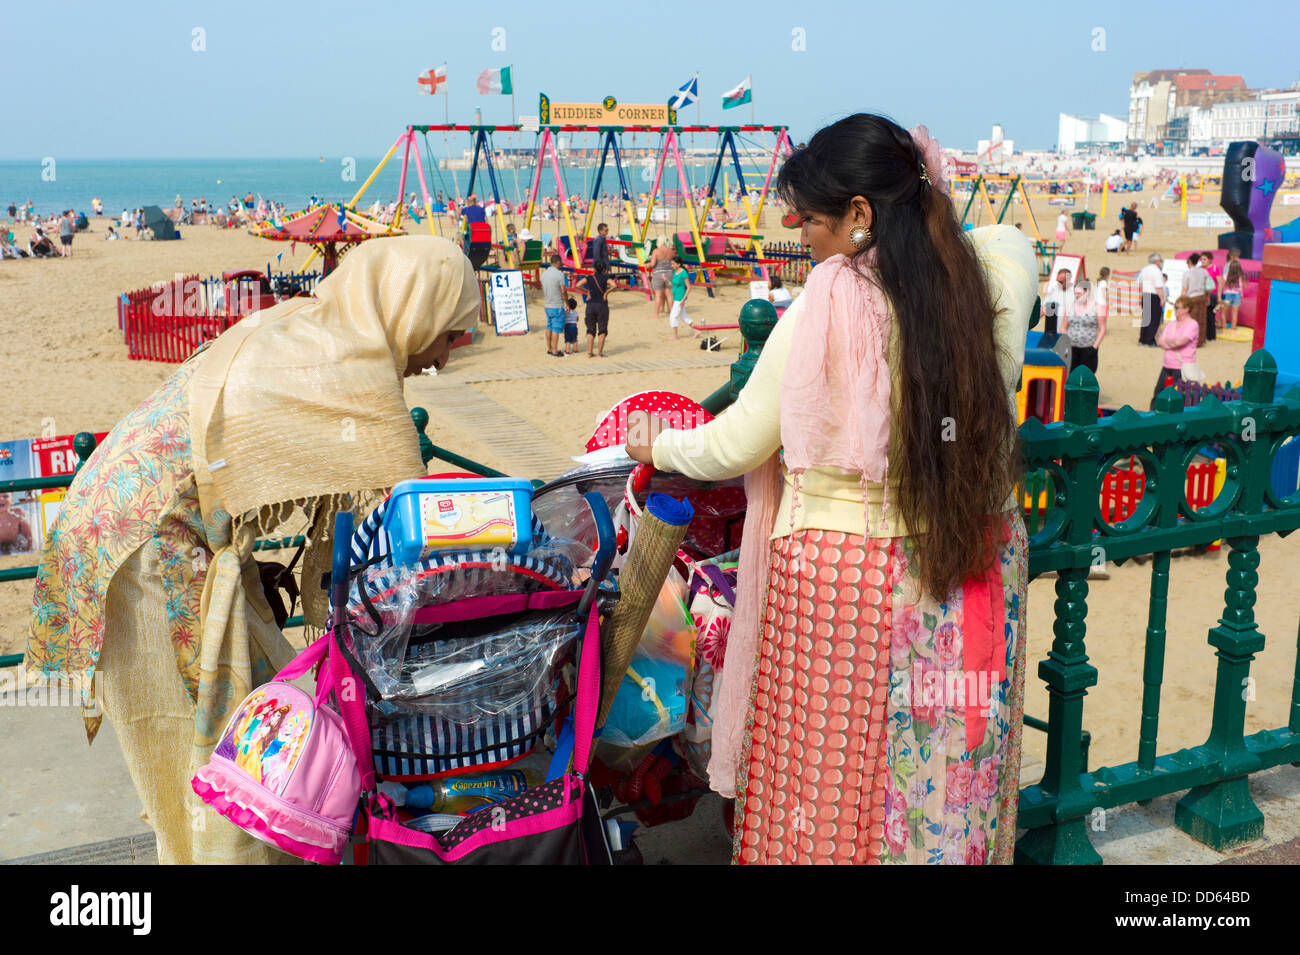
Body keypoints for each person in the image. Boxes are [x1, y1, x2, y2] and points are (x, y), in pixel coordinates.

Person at [626, 115, 1035, 865]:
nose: (798, 235)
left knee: (830, 781)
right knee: (947, 767)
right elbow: (1010, 243)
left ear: (859, 215)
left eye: (809, 218)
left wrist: (659, 444)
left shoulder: (830, 296)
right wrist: (931, 216)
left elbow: (738, 439)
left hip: (846, 578)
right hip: (972, 559)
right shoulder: (979, 283)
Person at [25, 236, 480, 865]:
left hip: (142, 523)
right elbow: (403, 509)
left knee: (261, 712)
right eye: (451, 335)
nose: (447, 360)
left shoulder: (311, 325)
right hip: (141, 546)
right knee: (209, 740)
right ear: (414, 310)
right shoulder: (348, 364)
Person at [1150, 297, 1200, 408]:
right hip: (1167, 365)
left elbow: (1181, 342)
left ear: (1186, 309)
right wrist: (1171, 342)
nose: (1174, 310)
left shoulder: (1192, 325)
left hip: (1182, 367)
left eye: (1177, 308)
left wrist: (1168, 342)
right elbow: (1160, 342)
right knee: (1158, 394)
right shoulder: (1171, 324)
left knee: (1180, 398)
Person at [583, 260, 627, 358]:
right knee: (602, 329)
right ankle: (599, 353)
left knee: (590, 330)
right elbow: (614, 285)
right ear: (604, 269)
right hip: (602, 305)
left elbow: (577, 285)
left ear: (594, 269)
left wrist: (587, 292)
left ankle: (589, 353)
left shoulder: (589, 277)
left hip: (590, 305)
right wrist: (606, 293)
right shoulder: (605, 278)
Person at [1061, 279, 1105, 374]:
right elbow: (1063, 327)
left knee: (1087, 374)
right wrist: (1066, 342)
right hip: (1071, 348)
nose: (1076, 296)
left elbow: (1102, 329)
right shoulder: (1070, 307)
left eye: (1079, 293)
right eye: (1075, 293)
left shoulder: (1097, 308)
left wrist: (1095, 346)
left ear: (1087, 292)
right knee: (1071, 374)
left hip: (1088, 347)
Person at [540, 253, 571, 357]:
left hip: (548, 304)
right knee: (556, 329)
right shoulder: (559, 274)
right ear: (557, 262)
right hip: (557, 305)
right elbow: (563, 290)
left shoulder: (544, 274)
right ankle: (554, 350)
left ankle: (549, 348)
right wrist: (567, 303)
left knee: (549, 327)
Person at [1182, 252, 1209, 347]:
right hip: (1202, 297)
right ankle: (1200, 340)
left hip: (1192, 298)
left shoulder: (1187, 273)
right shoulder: (1203, 271)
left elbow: (1184, 289)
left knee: (1191, 320)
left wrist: (1182, 301)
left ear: (1189, 262)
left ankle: (1190, 340)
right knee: (1201, 320)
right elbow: (1207, 286)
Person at [1138, 253, 1165, 346]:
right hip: (1154, 295)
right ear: (1157, 262)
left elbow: (1139, 282)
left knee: (1146, 318)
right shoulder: (1157, 271)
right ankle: (1150, 340)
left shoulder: (1144, 269)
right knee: (1154, 319)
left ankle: (1142, 339)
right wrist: (1162, 298)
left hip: (1145, 294)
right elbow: (1158, 287)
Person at [668, 257, 699, 339]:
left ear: (678, 264)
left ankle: (675, 336)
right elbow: (674, 284)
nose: (672, 265)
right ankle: (697, 330)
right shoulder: (675, 272)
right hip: (676, 297)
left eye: (673, 264)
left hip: (680, 298)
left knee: (673, 316)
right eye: (671, 264)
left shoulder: (683, 273)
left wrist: (683, 299)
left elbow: (689, 287)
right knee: (683, 316)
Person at [1042, 267, 1073, 336]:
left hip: (1070, 333)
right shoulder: (1053, 290)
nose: (1058, 284)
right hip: (1054, 332)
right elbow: (1044, 308)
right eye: (1057, 281)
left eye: (1061, 282)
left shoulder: (1076, 292)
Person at [648, 242, 674, 318]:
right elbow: (673, 263)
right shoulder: (671, 251)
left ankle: (656, 315)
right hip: (669, 273)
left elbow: (652, 264)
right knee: (669, 294)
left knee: (658, 295)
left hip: (658, 274)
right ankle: (671, 312)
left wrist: (647, 265)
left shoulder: (656, 251)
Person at [1222, 254, 1244, 328]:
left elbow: (1223, 285)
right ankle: (1233, 328)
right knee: (1234, 314)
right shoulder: (1239, 276)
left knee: (1224, 313)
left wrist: (1223, 293)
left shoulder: (1226, 275)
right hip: (1237, 295)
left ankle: (1223, 328)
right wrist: (1241, 296)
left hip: (1228, 295)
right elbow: (1240, 287)